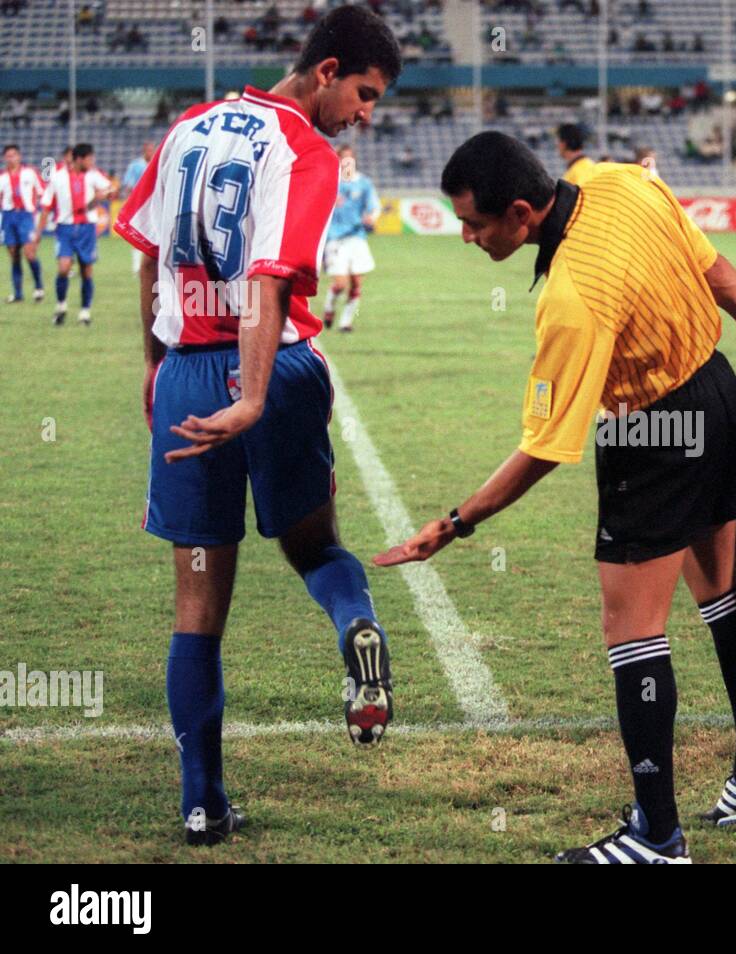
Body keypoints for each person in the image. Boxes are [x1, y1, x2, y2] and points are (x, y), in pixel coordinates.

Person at [375, 132, 736, 863]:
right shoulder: (621, 181)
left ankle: (657, 836)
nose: (467, 238)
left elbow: (544, 448)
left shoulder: (572, 296)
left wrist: (454, 523)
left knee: (633, 630)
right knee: (722, 591)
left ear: (520, 213)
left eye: (475, 225)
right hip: (720, 394)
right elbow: (712, 264)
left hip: (654, 430)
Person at [112, 3, 403, 847]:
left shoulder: (188, 128)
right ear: (326, 71)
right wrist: (254, 393)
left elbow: (146, 254)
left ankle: (202, 803)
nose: (365, 115)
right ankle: (356, 626)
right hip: (274, 370)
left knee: (196, 604)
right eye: (365, 93)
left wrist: (154, 362)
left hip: (188, 373)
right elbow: (271, 284)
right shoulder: (307, 151)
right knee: (315, 546)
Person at [35, 143, 113, 325]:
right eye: (89, 158)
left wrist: (103, 194)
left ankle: (85, 312)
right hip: (65, 228)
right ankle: (61, 306)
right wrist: (38, 232)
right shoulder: (57, 178)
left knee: (86, 271)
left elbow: (110, 188)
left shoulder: (93, 175)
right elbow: (46, 205)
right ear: (79, 159)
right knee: (63, 268)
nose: (92, 161)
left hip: (87, 228)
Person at [322, 144, 380, 332]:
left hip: (356, 238)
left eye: (350, 159)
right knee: (340, 284)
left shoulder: (363, 183)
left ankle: (346, 322)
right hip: (335, 239)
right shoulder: (329, 181)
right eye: (343, 158)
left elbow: (374, 206)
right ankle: (329, 307)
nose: (347, 162)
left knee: (356, 283)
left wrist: (372, 216)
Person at [0, 143, 45, 304]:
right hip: (8, 216)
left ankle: (39, 287)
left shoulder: (30, 173)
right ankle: (18, 294)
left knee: (29, 252)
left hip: (26, 215)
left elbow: (42, 192)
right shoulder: (2, 177)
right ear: (4, 158)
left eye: (14, 155)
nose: (11, 158)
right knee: (13, 254)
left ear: (19, 156)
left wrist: (37, 212)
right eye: (8, 155)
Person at [119, 140, 156, 275]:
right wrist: (129, 202)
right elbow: (129, 185)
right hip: (140, 204)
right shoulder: (135, 166)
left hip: (155, 204)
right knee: (138, 234)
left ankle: (151, 266)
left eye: (152, 149)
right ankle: (136, 266)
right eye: (148, 150)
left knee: (153, 236)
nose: (150, 152)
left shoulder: (158, 163)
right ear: (144, 151)